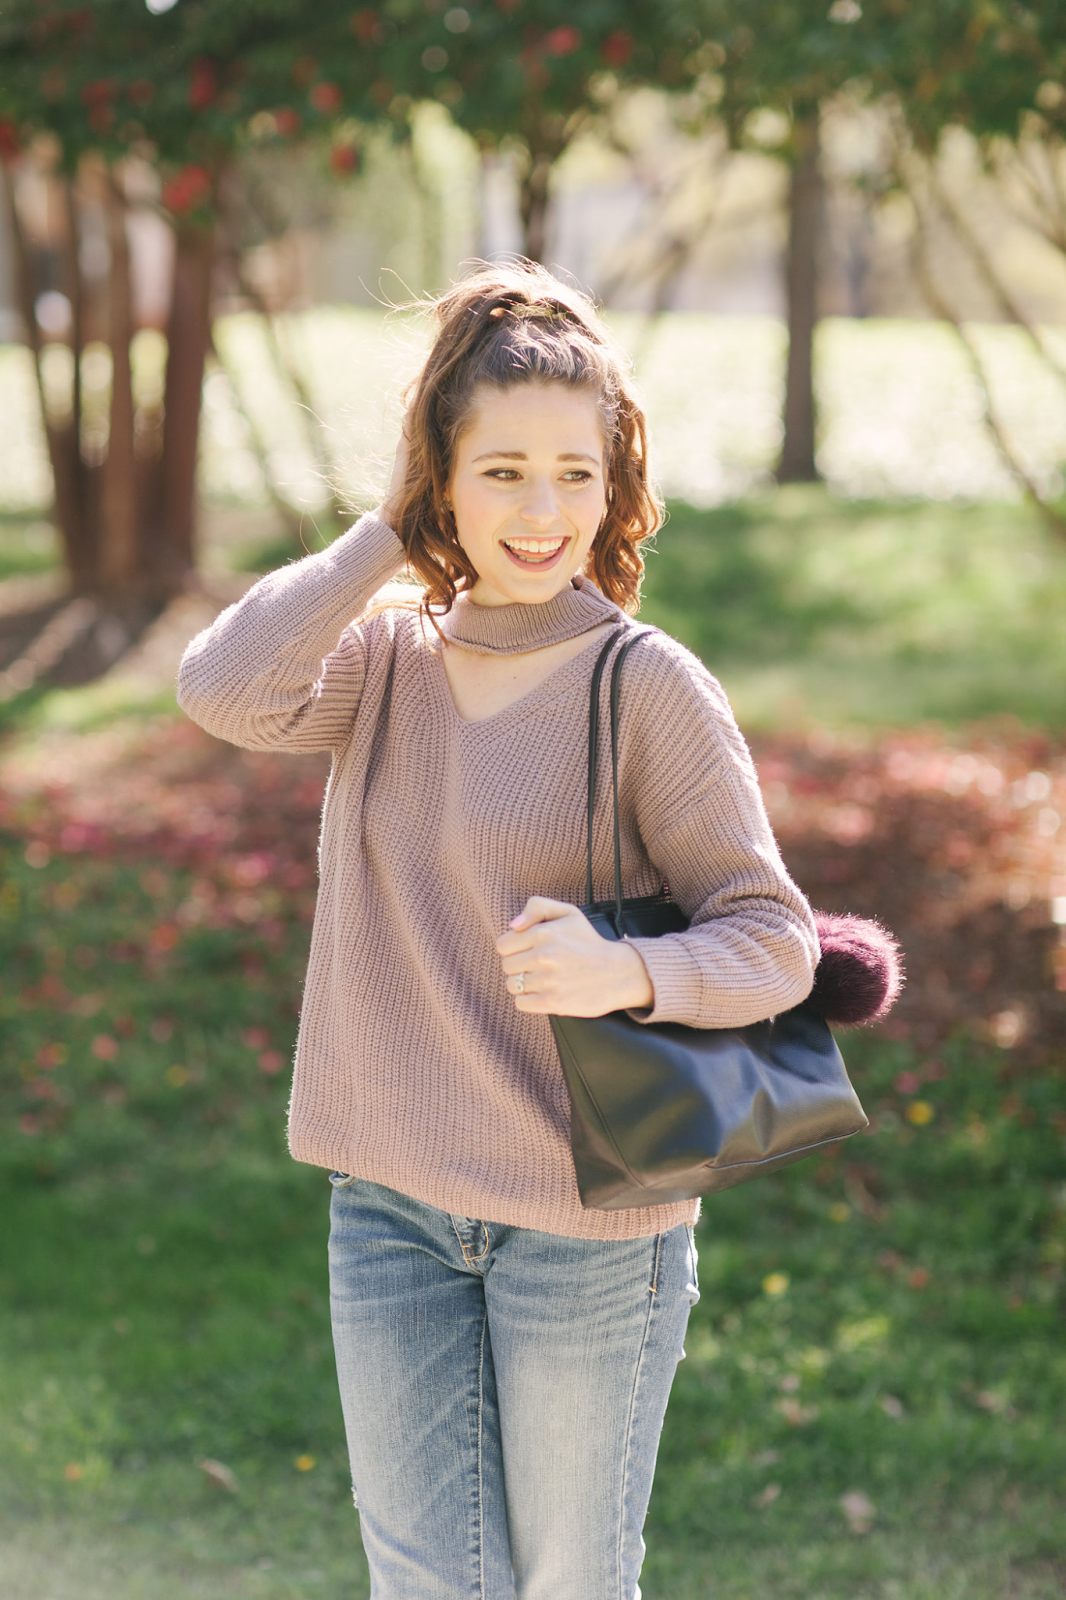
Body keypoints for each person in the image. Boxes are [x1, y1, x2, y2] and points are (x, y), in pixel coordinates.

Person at [178, 262, 818, 1600]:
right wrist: (378, 544)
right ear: (443, 484)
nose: (542, 512)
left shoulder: (644, 687)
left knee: (568, 1588)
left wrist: (623, 968)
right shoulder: (380, 665)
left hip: (585, 1231)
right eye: (504, 473)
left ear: (614, 485)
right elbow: (223, 688)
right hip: (390, 1208)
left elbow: (774, 944)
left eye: (576, 476)